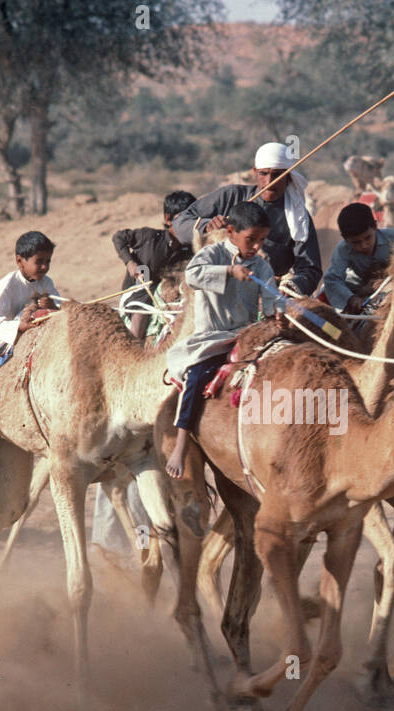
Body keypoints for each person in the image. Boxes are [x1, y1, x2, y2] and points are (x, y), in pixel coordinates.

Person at [164, 202, 286, 479]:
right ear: (231, 232)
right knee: (196, 377)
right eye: (250, 239)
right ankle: (181, 440)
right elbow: (192, 276)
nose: (256, 246)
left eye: (261, 240)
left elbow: (271, 298)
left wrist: (276, 314)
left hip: (247, 335)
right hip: (213, 338)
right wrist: (229, 272)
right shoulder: (213, 254)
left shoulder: (261, 266)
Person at [171, 142, 322, 296]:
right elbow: (180, 223)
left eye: (277, 175)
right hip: (215, 288)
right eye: (264, 173)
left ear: (289, 177)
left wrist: (290, 287)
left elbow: (310, 269)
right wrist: (206, 227)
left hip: (265, 295)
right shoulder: (230, 196)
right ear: (255, 172)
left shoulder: (298, 219)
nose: (270, 181)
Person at [0, 231, 60, 447]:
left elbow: (59, 306)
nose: (45, 267)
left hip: (34, 334)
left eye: (48, 261)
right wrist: (19, 326)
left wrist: (53, 307)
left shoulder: (46, 283)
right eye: (39, 262)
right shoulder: (6, 285)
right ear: (20, 261)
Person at [112, 190, 196, 339]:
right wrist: (130, 262)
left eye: (193, 220)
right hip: (140, 289)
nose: (189, 225)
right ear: (168, 219)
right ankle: (134, 350)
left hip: (170, 289)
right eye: (184, 220)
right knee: (141, 309)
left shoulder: (191, 246)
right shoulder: (149, 236)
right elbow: (119, 237)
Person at [323, 202, 394, 314]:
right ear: (345, 239)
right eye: (356, 242)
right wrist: (351, 298)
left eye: (368, 238)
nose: (364, 245)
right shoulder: (342, 250)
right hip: (360, 291)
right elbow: (333, 279)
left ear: (375, 226)